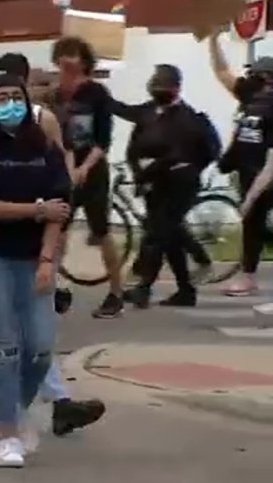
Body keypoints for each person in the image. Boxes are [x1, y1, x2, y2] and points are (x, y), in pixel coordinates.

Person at [0, 73, 69, 468]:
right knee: (5, 346)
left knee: (40, 346)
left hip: (34, 256)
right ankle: (7, 433)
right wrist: (35, 209)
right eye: (1, 98)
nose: (9, 103)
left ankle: (19, 408)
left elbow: (60, 205)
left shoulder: (44, 148)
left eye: (15, 96)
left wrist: (46, 258)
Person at [115, 65, 219, 308]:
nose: (158, 89)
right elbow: (130, 135)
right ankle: (186, 290)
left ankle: (144, 288)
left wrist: (150, 173)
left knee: (157, 234)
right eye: (155, 85)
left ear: (176, 88)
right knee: (169, 236)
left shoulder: (187, 119)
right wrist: (140, 175)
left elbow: (181, 155)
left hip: (180, 184)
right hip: (156, 184)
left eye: (163, 85)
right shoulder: (149, 112)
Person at [51, 36, 125, 318]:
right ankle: (56, 286)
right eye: (62, 55)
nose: (66, 61)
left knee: (101, 230)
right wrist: (69, 166)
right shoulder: (58, 95)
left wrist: (85, 167)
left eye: (72, 55)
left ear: (83, 61)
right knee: (58, 227)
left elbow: (103, 140)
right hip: (66, 167)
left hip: (93, 170)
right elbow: (61, 136)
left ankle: (116, 292)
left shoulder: (96, 93)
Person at [210, 32, 273, 296]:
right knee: (255, 224)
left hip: (266, 174)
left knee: (254, 219)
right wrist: (213, 40)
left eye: (259, 76)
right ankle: (248, 275)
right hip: (249, 173)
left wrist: (251, 196)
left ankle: (247, 277)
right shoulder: (252, 96)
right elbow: (223, 72)